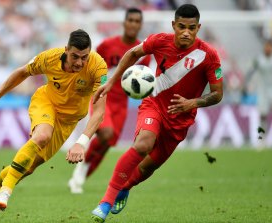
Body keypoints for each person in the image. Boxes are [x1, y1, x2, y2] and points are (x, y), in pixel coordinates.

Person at [90, 4, 224, 222]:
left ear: (198, 28)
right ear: (174, 25)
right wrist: (112, 81)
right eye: (181, 26)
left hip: (180, 122)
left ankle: (125, 188)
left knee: (146, 168)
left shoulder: (208, 55)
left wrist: (192, 103)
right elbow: (133, 53)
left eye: (191, 27)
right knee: (143, 144)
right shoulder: (159, 41)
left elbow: (217, 94)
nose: (186, 32)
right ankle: (105, 203)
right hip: (154, 105)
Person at [0, 29, 108, 223]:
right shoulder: (49, 58)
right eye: (75, 56)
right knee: (42, 136)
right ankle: (6, 191)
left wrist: (81, 142)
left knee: (30, 166)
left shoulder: (98, 66)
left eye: (84, 57)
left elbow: (99, 111)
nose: (79, 62)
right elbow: (21, 72)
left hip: (68, 121)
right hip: (46, 102)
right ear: (66, 50)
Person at [68, 7, 151, 194]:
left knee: (106, 145)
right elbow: (90, 67)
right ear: (124, 23)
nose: (133, 24)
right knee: (105, 134)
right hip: (102, 96)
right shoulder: (107, 45)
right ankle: (81, 166)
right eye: (130, 20)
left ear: (140, 25)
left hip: (122, 103)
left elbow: (139, 82)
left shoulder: (143, 53)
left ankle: (81, 175)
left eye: (137, 21)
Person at [244, 39, 272, 147]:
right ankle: (261, 139)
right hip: (263, 91)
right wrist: (246, 85)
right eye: (266, 46)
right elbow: (250, 72)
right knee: (263, 116)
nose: (267, 48)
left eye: (269, 46)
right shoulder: (259, 60)